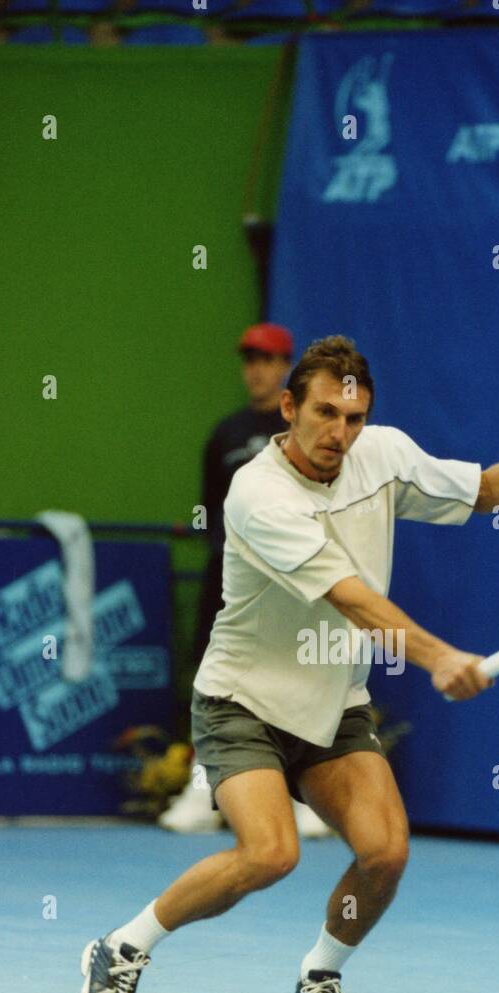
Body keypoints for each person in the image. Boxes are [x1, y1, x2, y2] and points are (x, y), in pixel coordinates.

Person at [82, 335, 499, 993]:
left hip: (334, 703)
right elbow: (351, 599)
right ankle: (122, 948)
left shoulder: (382, 454)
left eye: (352, 418)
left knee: (385, 852)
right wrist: (438, 657)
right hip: (241, 701)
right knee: (270, 853)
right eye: (323, 414)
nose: (338, 433)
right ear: (288, 408)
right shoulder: (256, 493)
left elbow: (486, 490)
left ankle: (320, 974)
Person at [161, 322, 330, 837]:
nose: (255, 369)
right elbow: (210, 509)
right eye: (249, 360)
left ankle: (299, 796)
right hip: (230, 582)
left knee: (295, 680)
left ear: (286, 368)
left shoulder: (309, 430)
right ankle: (201, 790)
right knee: (216, 683)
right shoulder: (225, 434)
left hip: (293, 583)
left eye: (266, 359)